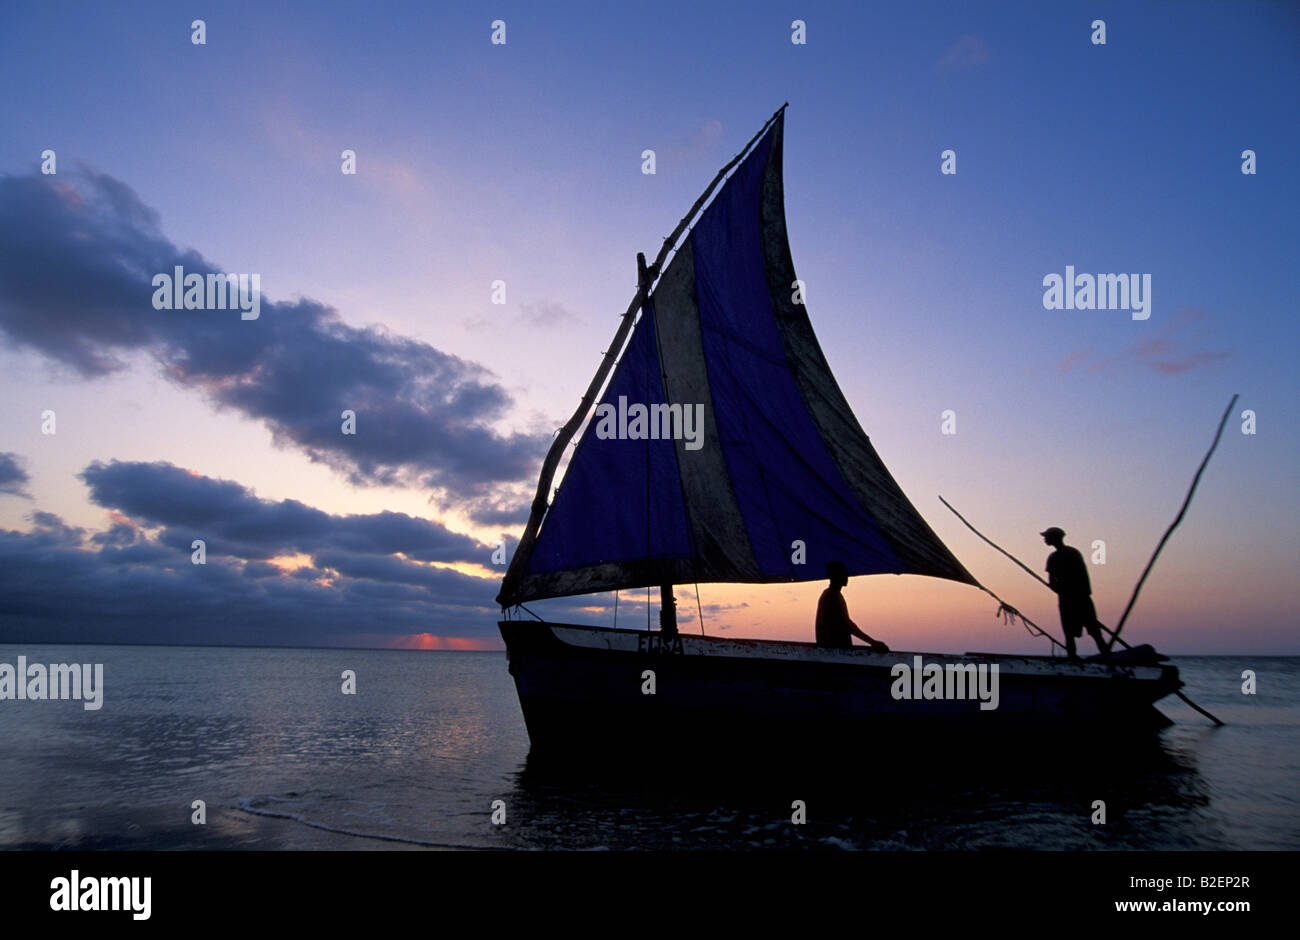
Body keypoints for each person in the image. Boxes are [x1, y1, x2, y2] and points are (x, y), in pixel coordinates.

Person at [1041, 527, 1108, 660]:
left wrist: (1061, 590)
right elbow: (1053, 581)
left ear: (1054, 538)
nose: (1045, 539)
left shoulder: (1067, 554)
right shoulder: (1059, 556)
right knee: (1080, 630)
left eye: (1047, 537)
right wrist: (1059, 589)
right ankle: (1082, 656)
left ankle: (1097, 655)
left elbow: (1078, 576)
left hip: (1077, 598)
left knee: (1089, 629)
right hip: (1074, 597)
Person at [815, 561, 890, 652]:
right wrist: (873, 642)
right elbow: (847, 625)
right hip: (834, 650)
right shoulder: (831, 596)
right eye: (843, 574)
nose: (846, 576)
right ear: (833, 576)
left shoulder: (833, 594)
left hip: (834, 649)